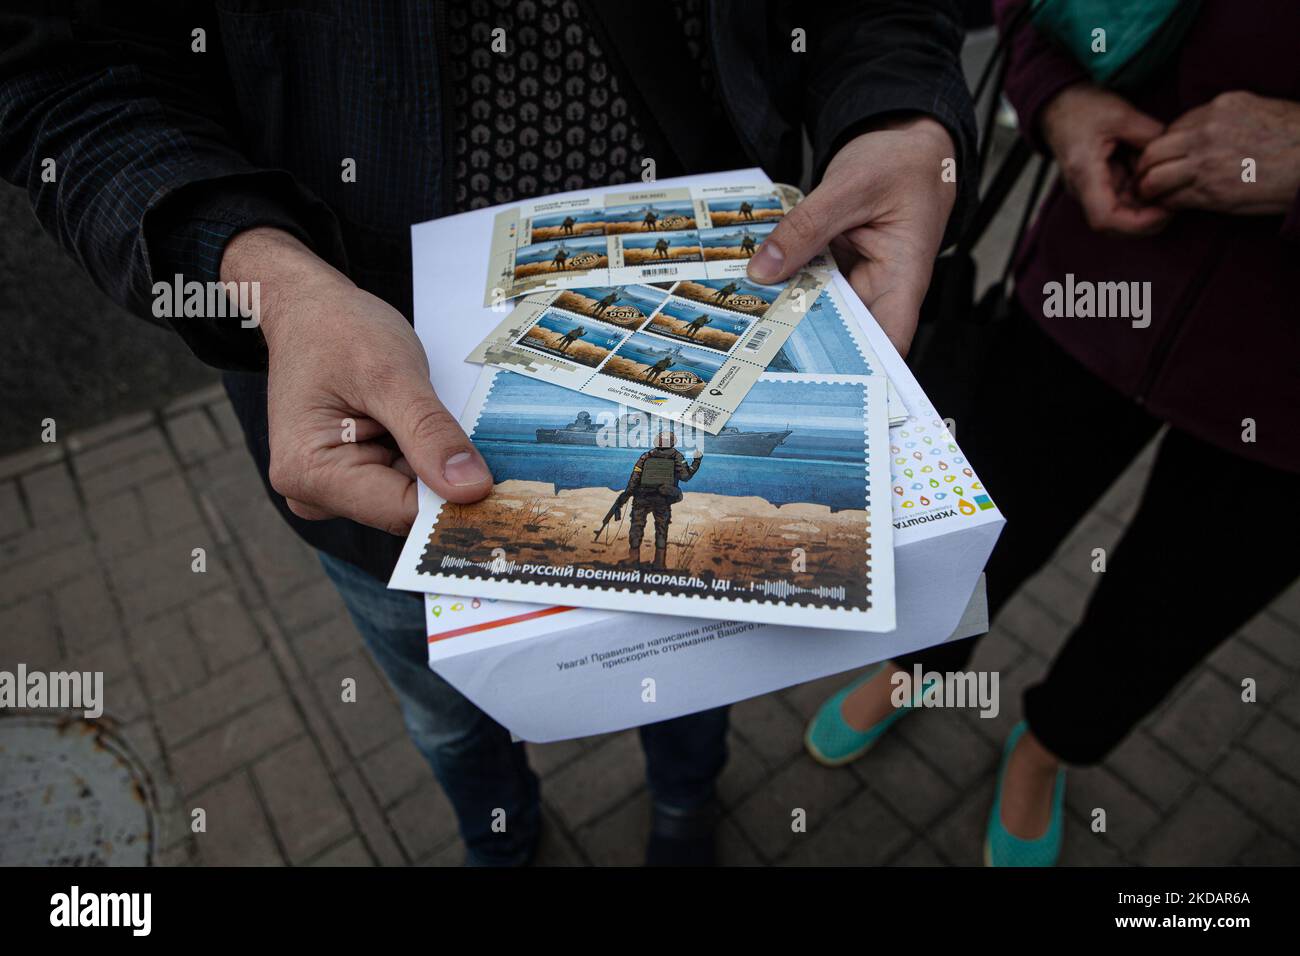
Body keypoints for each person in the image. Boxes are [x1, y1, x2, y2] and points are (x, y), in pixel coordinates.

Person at [0, 0, 974, 866]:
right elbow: (63, 66)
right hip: (376, 417)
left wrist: (896, 112)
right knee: (449, 709)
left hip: (720, 286)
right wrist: (258, 270)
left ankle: (683, 800)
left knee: (692, 661)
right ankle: (499, 829)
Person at [805, 0, 1300, 866]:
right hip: (1093, 284)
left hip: (1288, 402)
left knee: (1172, 609)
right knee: (977, 529)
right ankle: (915, 667)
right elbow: (1039, 9)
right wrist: (1057, 100)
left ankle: (1049, 747)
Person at [621, 431, 703, 568]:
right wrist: (697, 461)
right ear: (672, 442)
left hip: (642, 497)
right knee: (661, 528)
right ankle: (659, 562)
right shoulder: (677, 456)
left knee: (636, 526)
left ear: (657, 441)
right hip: (662, 498)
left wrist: (628, 493)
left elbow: (635, 476)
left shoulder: (647, 455)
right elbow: (685, 477)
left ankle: (633, 559)